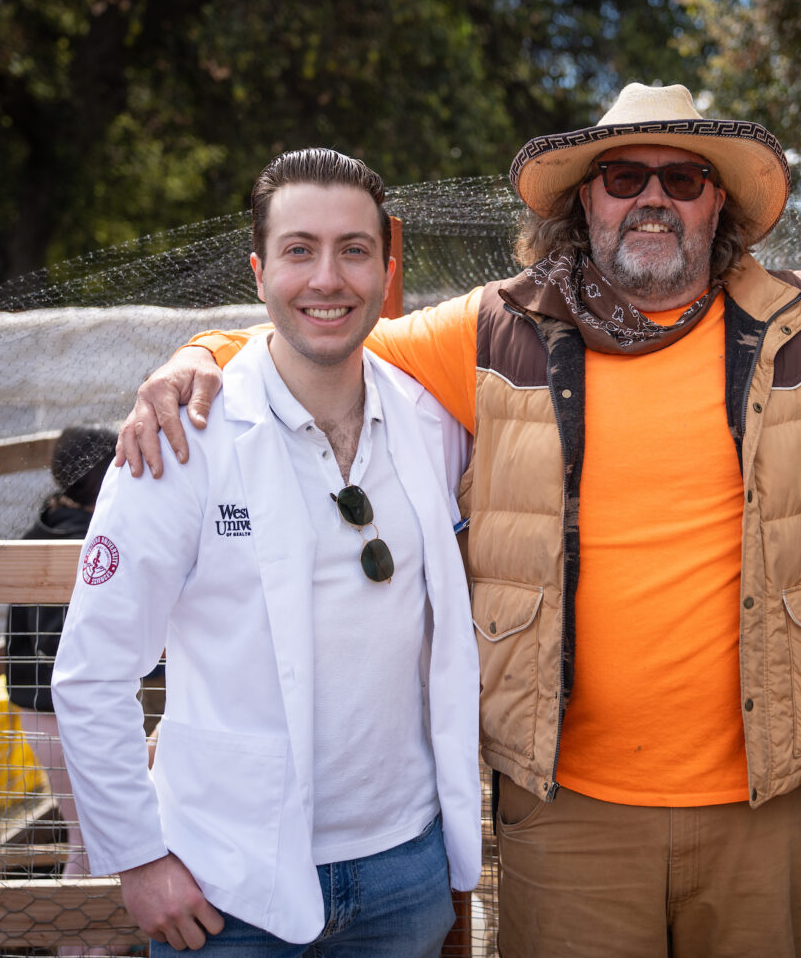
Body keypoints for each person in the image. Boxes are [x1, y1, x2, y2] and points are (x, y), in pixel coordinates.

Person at [114, 83, 801, 957]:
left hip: (768, 805)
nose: (652, 196)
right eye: (623, 177)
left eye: (683, 178)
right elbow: (314, 331)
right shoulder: (497, 331)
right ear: (582, 201)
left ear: (721, 205)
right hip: (567, 810)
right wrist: (191, 357)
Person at [52, 148, 481, 956]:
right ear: (258, 272)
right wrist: (139, 858)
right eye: (298, 250)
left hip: (408, 870)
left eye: (354, 250)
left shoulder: (433, 421)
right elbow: (92, 668)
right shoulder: (180, 439)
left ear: (386, 271)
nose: (328, 278)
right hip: (227, 884)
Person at [6, 425, 118, 880]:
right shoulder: (86, 546)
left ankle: (91, 944)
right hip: (67, 714)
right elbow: (59, 646)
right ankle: (85, 946)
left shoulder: (42, 528)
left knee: (91, 838)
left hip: (39, 711)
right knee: (94, 842)